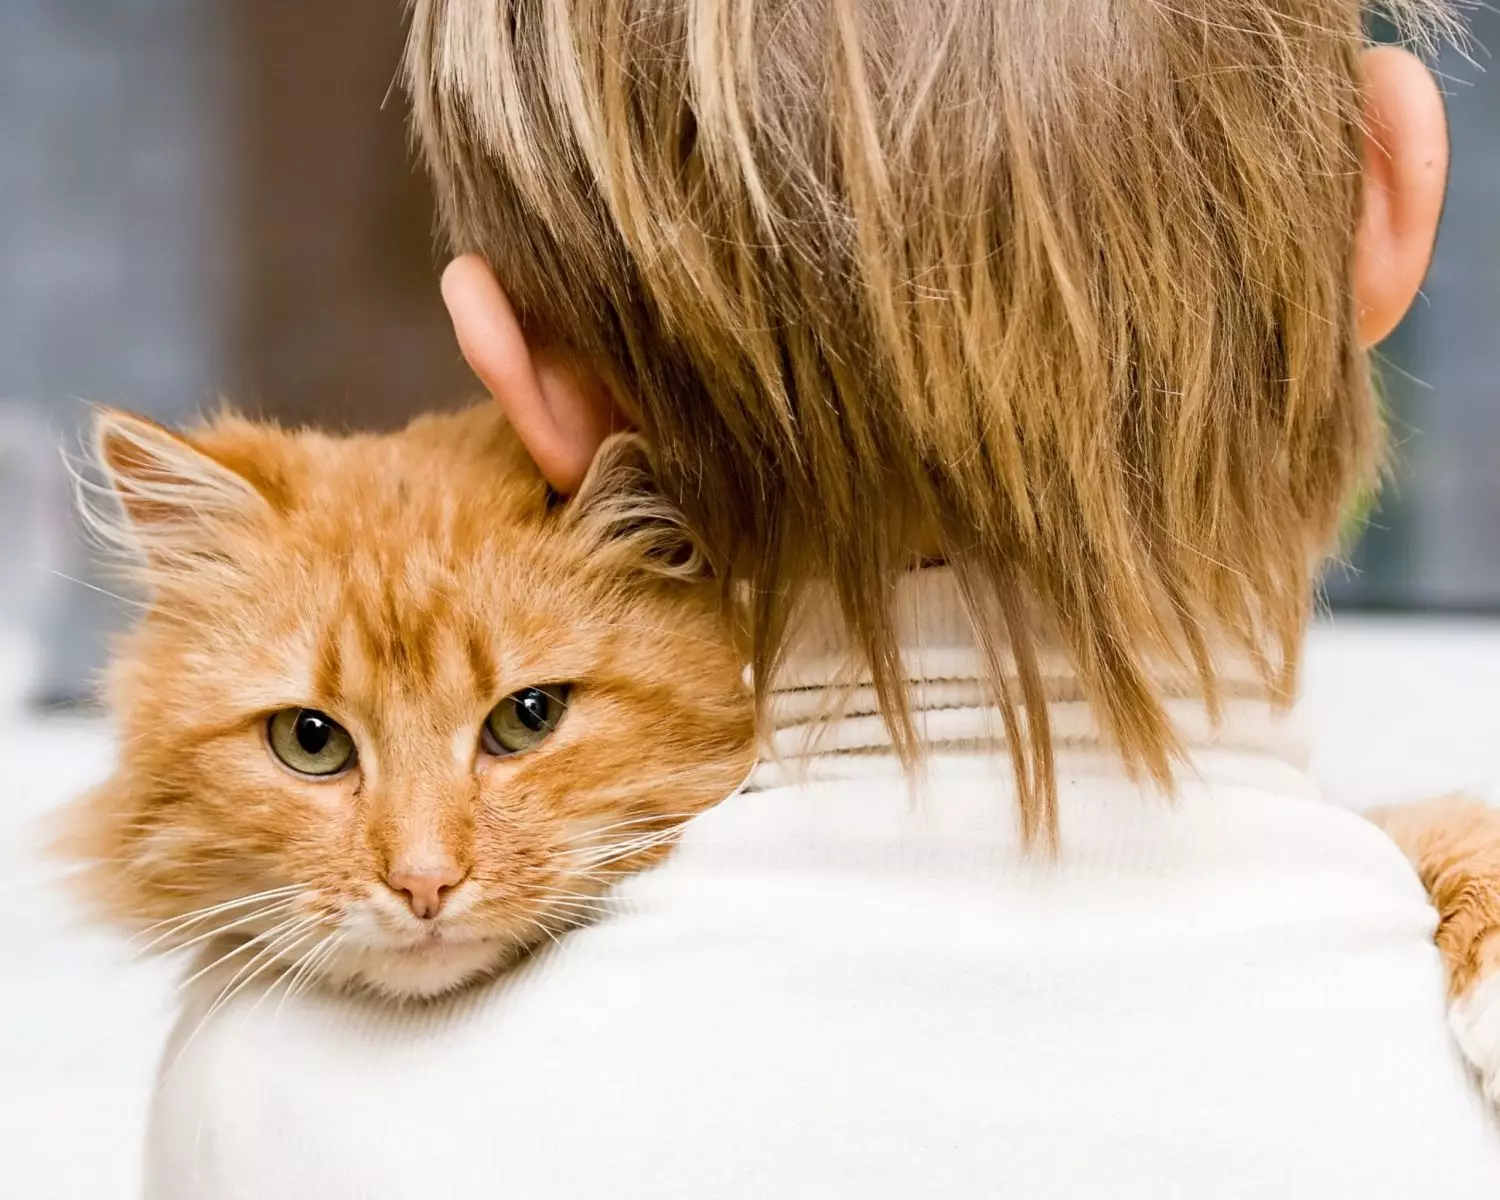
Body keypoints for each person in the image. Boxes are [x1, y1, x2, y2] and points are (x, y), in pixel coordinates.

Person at [146, 2, 1500, 1195]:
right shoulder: (1416, 1071)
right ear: (1381, 201)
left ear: (529, 376)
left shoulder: (271, 1093)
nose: (425, 862)